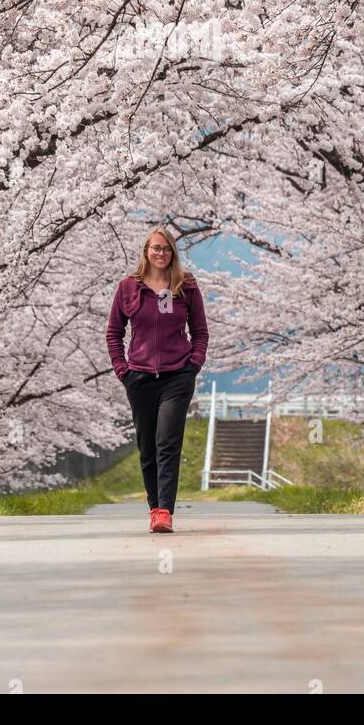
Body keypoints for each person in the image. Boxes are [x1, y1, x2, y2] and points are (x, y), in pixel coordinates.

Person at [106, 225, 209, 532]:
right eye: (155, 248)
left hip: (178, 376)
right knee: (147, 446)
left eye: (166, 249)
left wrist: (194, 365)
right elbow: (114, 332)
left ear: (172, 253)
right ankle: (154, 508)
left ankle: (165, 511)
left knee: (167, 441)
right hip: (139, 378)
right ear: (146, 252)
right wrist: (122, 370)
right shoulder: (128, 287)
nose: (161, 254)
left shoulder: (186, 286)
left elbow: (200, 331)